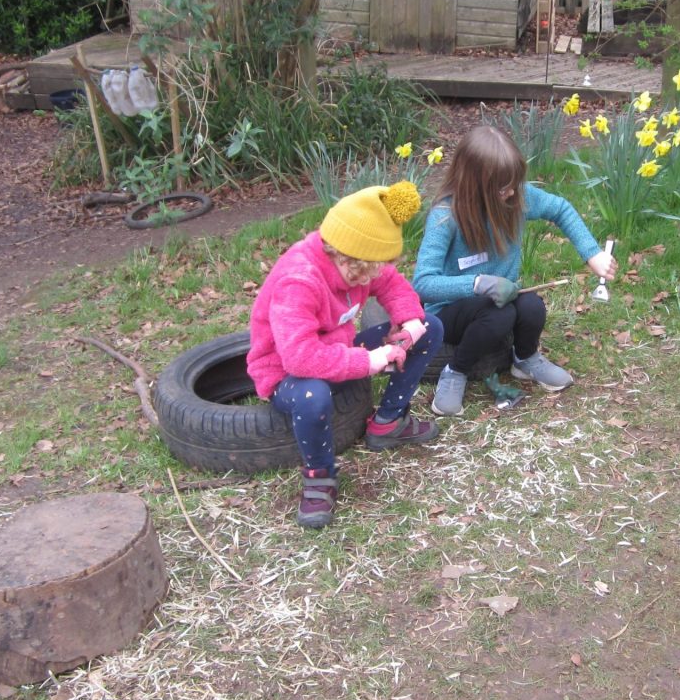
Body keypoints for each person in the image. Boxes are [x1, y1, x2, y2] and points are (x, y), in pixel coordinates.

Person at [247, 182, 444, 529]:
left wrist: (409, 321)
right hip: (287, 374)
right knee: (313, 395)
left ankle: (388, 422)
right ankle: (319, 476)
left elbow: (392, 284)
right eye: (364, 270)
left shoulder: (361, 262)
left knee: (431, 327)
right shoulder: (300, 279)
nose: (370, 278)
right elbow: (299, 358)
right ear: (340, 253)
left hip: (340, 352)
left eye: (376, 268)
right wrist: (368, 361)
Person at [412, 126, 616, 416]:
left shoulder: (514, 198)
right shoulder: (446, 217)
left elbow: (561, 209)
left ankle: (525, 359)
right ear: (474, 185)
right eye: (502, 187)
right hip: (453, 310)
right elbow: (423, 283)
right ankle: (455, 370)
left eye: (514, 183)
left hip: (502, 298)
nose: (511, 193)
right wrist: (479, 283)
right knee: (500, 315)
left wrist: (592, 253)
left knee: (532, 306)